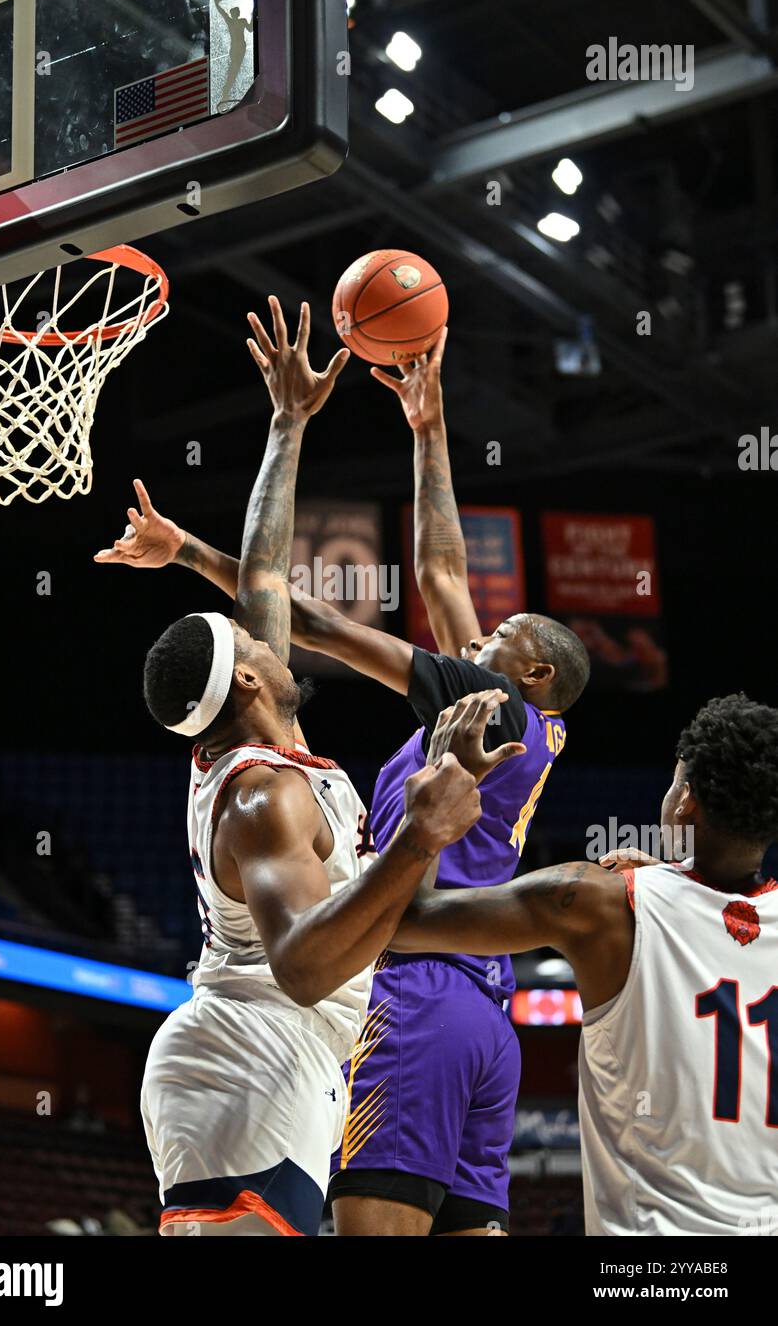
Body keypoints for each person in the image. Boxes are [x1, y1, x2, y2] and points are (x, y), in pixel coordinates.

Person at [96, 310, 589, 1236]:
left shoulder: (496, 705)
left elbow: (308, 610)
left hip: (414, 988)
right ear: (247, 677)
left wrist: (272, 456)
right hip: (455, 1000)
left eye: (494, 639)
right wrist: (428, 429)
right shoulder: (277, 776)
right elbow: (425, 578)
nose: (473, 634)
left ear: (530, 676)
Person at [395, 690, 778, 1236]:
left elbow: (405, 921)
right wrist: (677, 878)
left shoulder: (597, 902)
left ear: (686, 800)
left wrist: (438, 789)